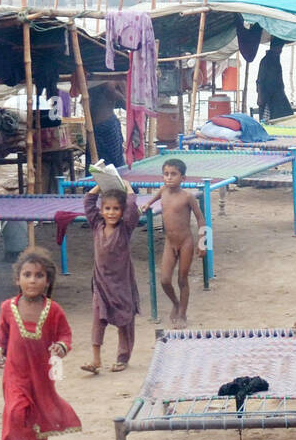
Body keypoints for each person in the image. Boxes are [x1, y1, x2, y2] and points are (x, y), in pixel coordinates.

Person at [0, 247, 81, 440]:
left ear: (47, 281)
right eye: (27, 274)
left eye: (39, 275)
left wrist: (61, 347)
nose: (32, 280)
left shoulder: (54, 311)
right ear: (17, 279)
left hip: (41, 376)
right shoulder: (7, 308)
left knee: (37, 416)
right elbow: (2, 334)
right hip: (15, 374)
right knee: (14, 412)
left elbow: (65, 335)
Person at [81, 186, 141, 374]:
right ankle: (96, 360)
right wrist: (100, 184)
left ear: (122, 212)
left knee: (124, 321)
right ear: (101, 211)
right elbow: (88, 202)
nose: (111, 213)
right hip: (100, 283)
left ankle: (123, 357)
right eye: (107, 209)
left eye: (116, 209)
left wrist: (127, 188)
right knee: (98, 320)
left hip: (121, 284)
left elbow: (132, 208)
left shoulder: (125, 229)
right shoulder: (97, 225)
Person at [141, 158, 205, 329]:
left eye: (173, 174)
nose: (169, 178)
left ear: (183, 178)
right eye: (166, 174)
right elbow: (152, 200)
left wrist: (203, 243)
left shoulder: (187, 197)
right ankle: (175, 303)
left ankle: (183, 313)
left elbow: (200, 218)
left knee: (182, 279)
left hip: (185, 242)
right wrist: (147, 204)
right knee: (164, 280)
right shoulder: (163, 191)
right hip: (170, 243)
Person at [88, 81, 127, 168]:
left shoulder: (112, 79)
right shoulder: (93, 77)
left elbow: (123, 101)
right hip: (94, 127)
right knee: (94, 165)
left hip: (107, 124)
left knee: (114, 165)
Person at [255, 37, 293, 121]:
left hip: (278, 94)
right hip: (268, 96)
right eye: (279, 48)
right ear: (274, 47)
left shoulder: (276, 59)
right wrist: (260, 96)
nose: (280, 50)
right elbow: (260, 80)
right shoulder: (265, 61)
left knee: (286, 114)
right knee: (269, 119)